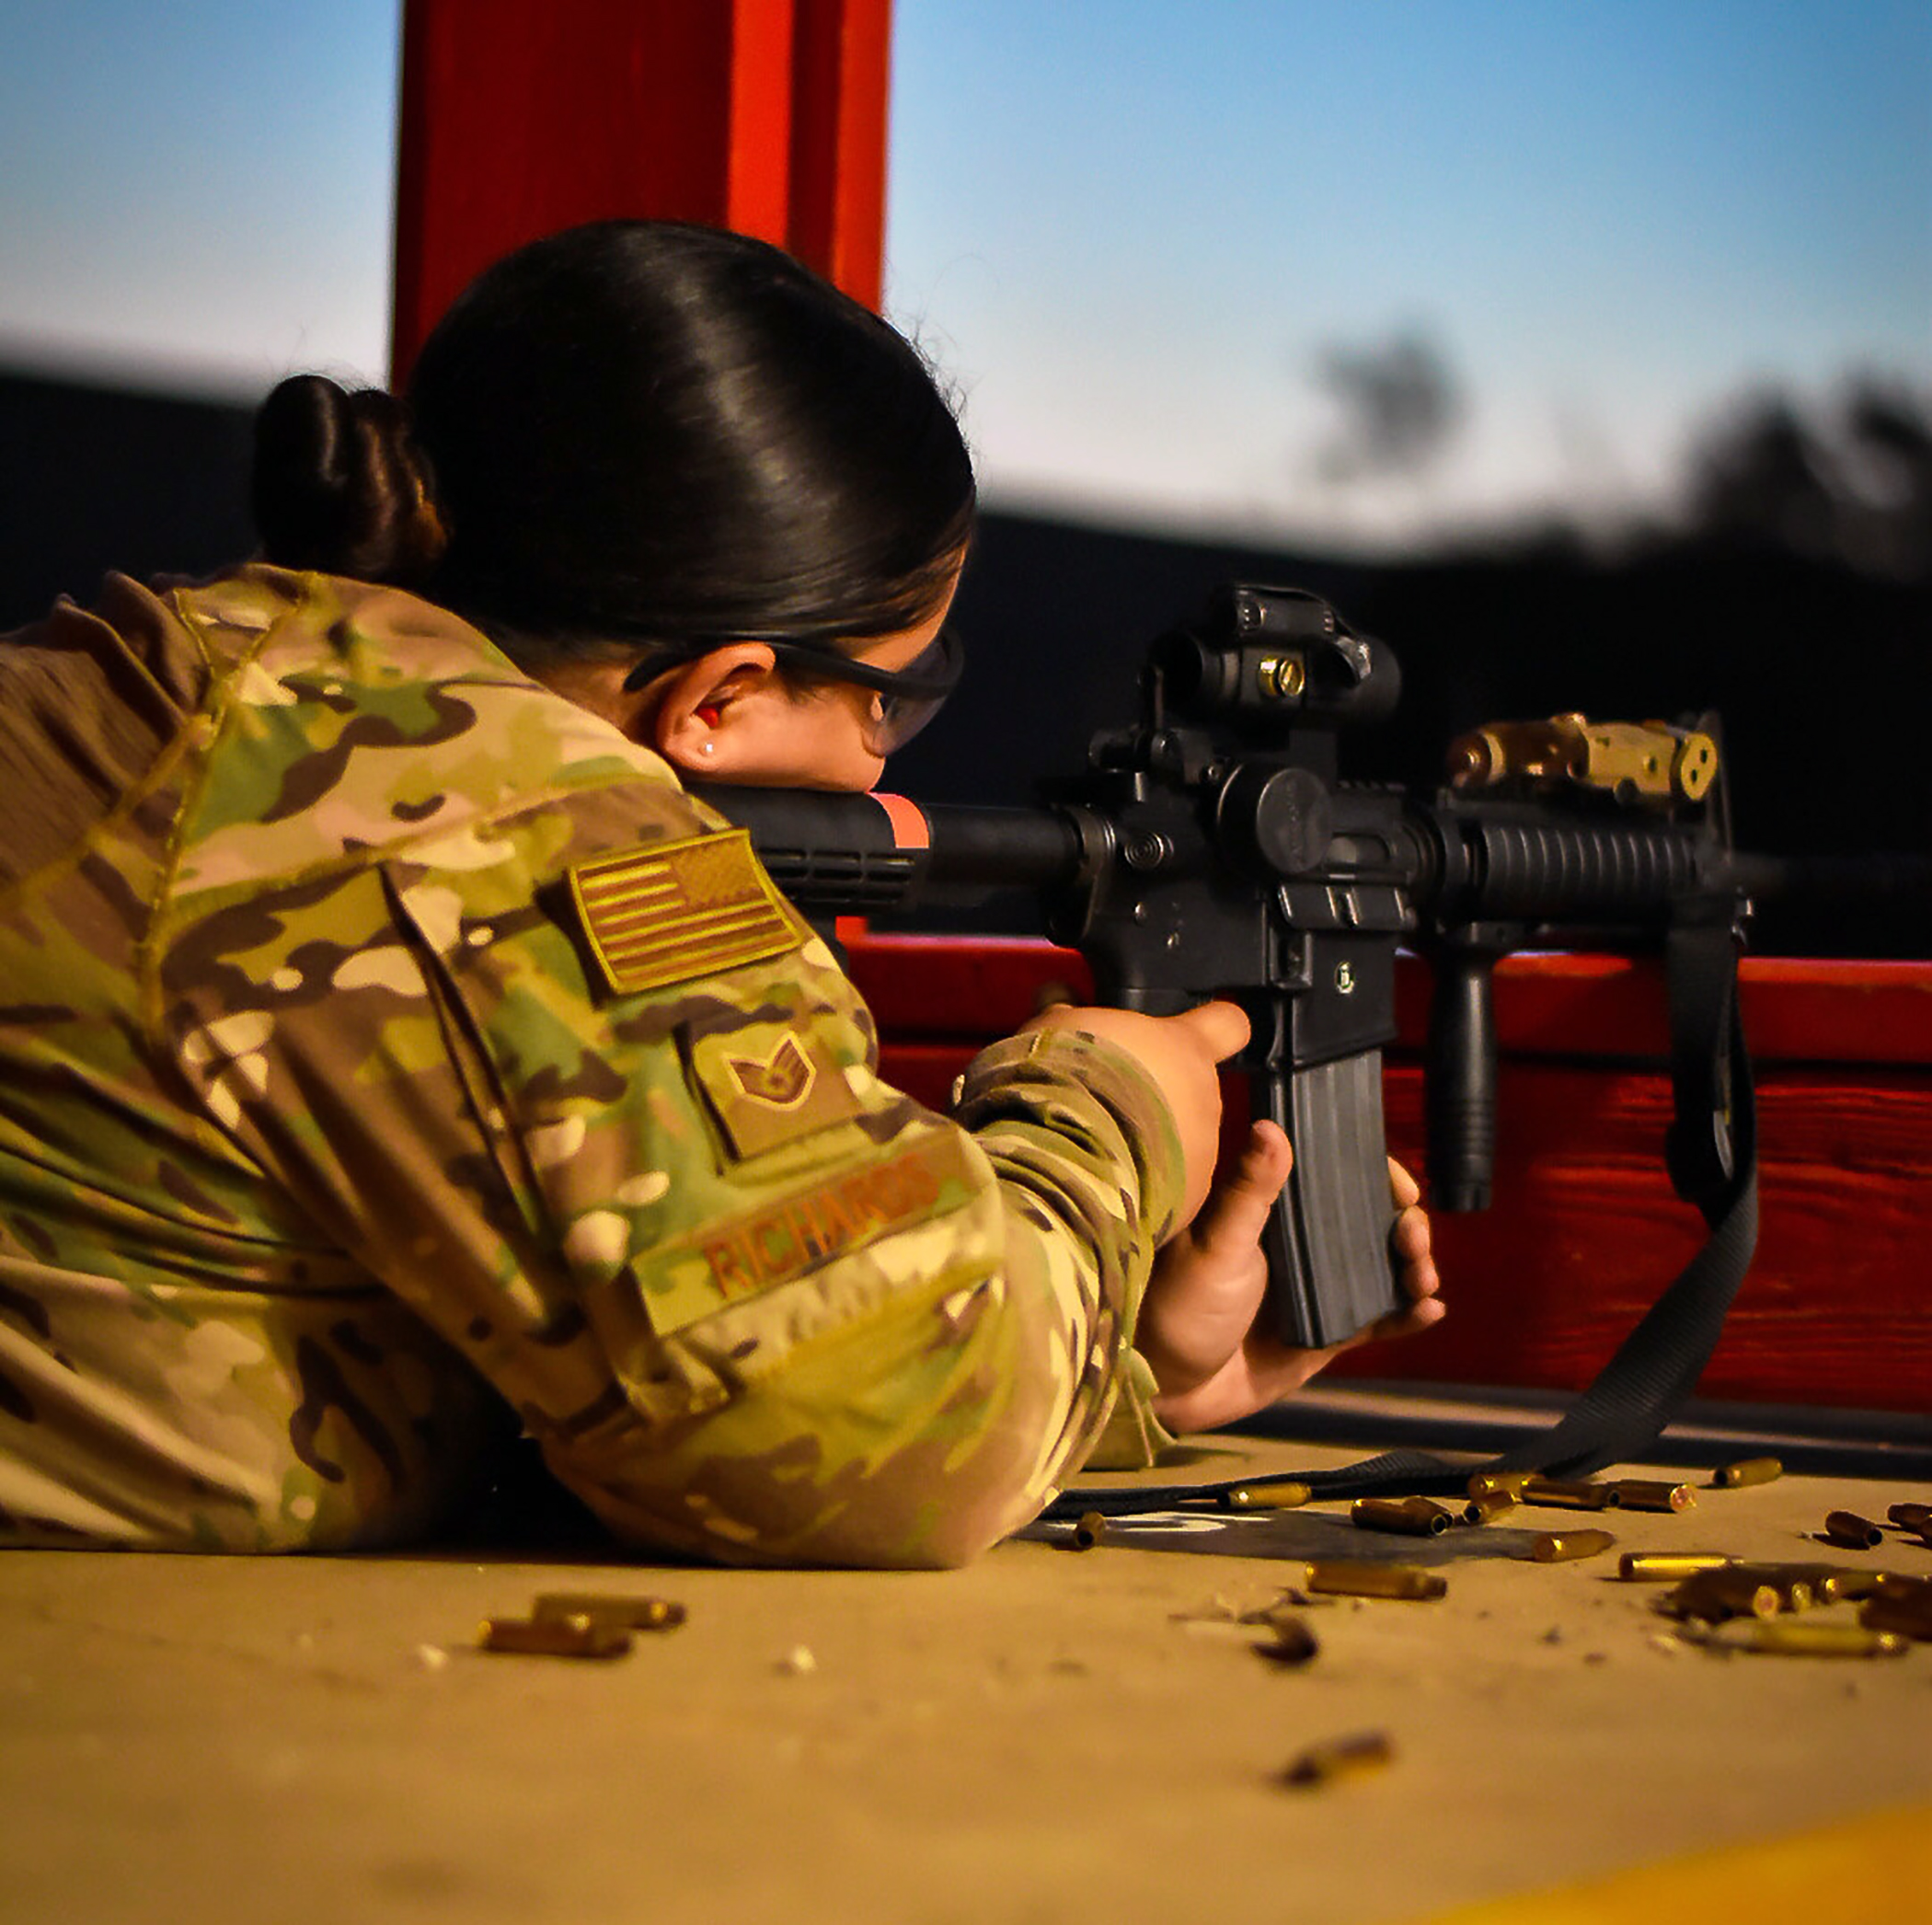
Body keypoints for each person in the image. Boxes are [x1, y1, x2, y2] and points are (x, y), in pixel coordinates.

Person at [0, 219, 1439, 1563]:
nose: (884, 758)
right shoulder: (501, 818)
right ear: (718, 699)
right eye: (898, 695)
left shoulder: (236, 682)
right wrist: (1107, 1117)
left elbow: (549, 1328)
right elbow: (886, 1434)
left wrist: (1124, 1361)